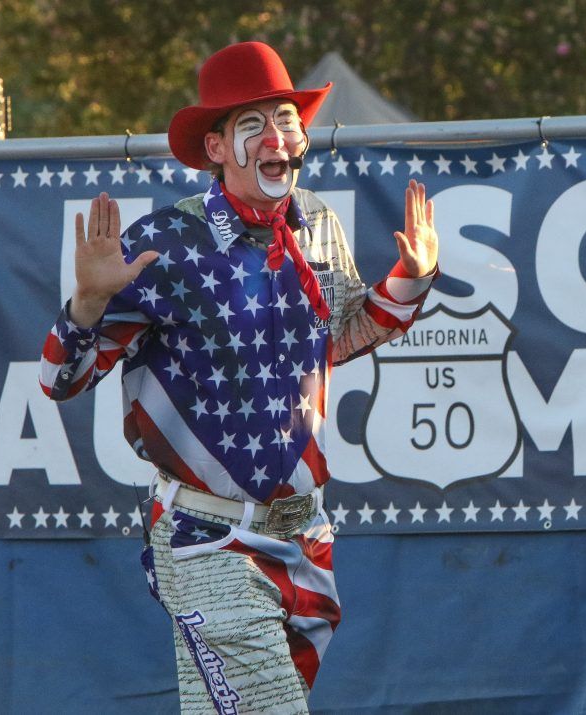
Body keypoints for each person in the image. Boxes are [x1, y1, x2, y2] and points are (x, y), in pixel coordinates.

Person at [39, 41, 439, 713]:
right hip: (208, 539)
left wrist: (411, 282)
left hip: (305, 539)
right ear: (218, 147)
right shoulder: (163, 243)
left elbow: (336, 339)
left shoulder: (317, 225)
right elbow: (61, 380)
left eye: (286, 118)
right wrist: (86, 304)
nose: (277, 137)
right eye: (254, 124)